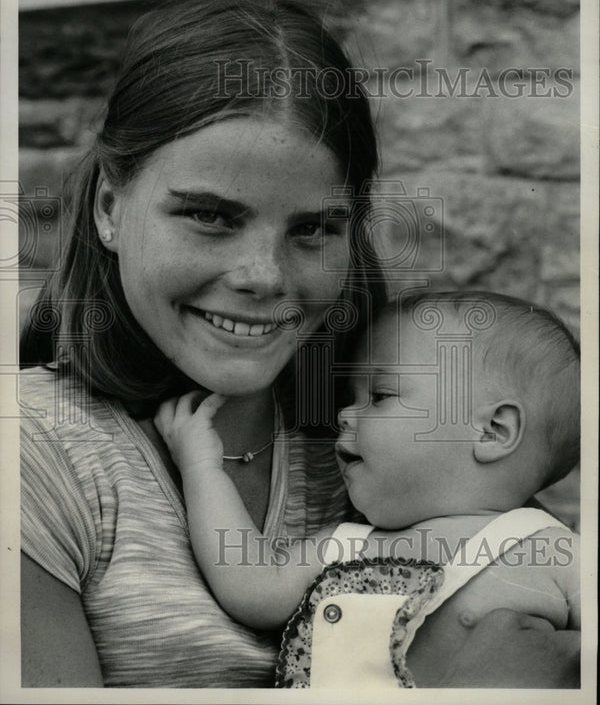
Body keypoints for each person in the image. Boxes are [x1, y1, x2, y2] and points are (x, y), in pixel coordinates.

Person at [19, 0, 580, 689]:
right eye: (209, 216)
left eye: (313, 228)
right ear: (110, 207)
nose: (264, 276)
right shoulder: (35, 450)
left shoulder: (397, 439)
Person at [155, 290, 581, 688]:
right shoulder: (347, 547)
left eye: (378, 395)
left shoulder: (555, 552)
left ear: (492, 431)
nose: (344, 413)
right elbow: (249, 585)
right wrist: (201, 467)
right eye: (351, 395)